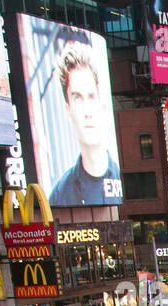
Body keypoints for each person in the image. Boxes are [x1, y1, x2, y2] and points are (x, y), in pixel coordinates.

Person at [47, 42, 123, 206]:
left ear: (100, 103)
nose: (87, 111)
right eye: (77, 98)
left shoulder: (119, 174)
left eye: (90, 96)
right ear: (68, 110)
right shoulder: (59, 194)